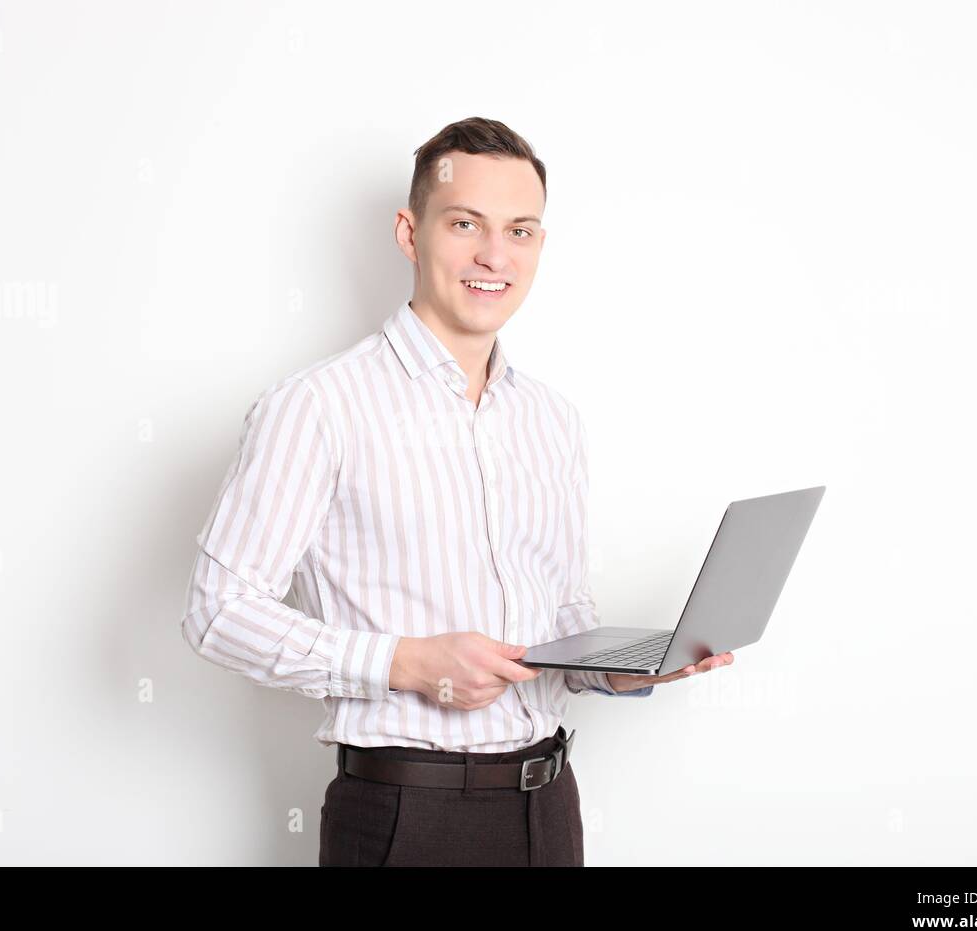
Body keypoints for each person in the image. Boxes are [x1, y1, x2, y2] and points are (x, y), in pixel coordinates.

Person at [180, 116, 734, 866]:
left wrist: (628, 664)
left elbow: (562, 614)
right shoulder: (318, 407)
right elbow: (218, 611)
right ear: (411, 233)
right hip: (406, 815)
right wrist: (405, 663)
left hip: (550, 806)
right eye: (465, 223)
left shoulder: (552, 420)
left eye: (521, 230)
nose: (493, 255)